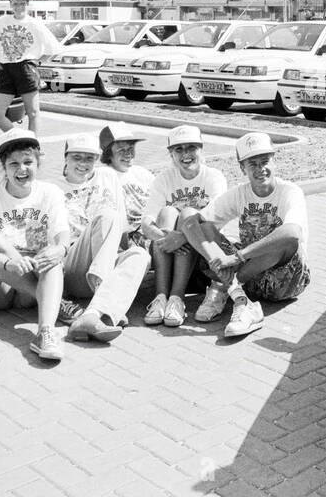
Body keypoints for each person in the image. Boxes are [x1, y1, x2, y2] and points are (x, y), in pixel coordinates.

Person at [0, 128, 71, 362]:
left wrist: (61, 248)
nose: (22, 169)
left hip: (28, 283)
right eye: (13, 164)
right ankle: (53, 300)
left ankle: (45, 333)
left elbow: (62, 233)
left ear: (38, 163)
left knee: (52, 254)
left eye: (28, 161)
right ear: (3, 166)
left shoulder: (50, 192)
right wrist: (8, 263)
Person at [179, 132, 309, 338]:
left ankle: (225, 286)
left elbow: (292, 233)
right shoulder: (240, 193)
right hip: (250, 276)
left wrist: (238, 256)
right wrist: (215, 257)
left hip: (283, 279)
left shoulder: (290, 191)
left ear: (274, 161)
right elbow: (196, 221)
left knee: (284, 239)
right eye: (253, 164)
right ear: (242, 168)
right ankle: (239, 298)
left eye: (265, 161)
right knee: (193, 218)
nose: (261, 169)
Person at [52, 133, 150, 343]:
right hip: (74, 265)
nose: (83, 163)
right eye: (77, 157)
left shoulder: (107, 176)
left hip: (104, 259)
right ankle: (107, 300)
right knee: (107, 214)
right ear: (65, 158)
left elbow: (122, 226)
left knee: (140, 255)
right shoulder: (53, 189)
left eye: (89, 158)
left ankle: (92, 314)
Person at [135, 125, 228, 327]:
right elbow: (146, 222)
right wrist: (165, 237)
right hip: (170, 258)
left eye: (191, 147)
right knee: (167, 212)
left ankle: (177, 299)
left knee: (188, 214)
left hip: (205, 258)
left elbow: (217, 219)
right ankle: (161, 298)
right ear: (171, 153)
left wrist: (183, 236)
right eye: (179, 149)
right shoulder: (163, 179)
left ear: (201, 149)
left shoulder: (214, 177)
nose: (186, 154)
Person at [0, 0, 60, 135]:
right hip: (6, 70)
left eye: (22, 4)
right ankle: (20, 138)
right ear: (10, 5)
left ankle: (33, 145)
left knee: (33, 113)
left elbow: (53, 48)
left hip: (26, 69)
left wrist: (36, 63)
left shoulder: (35, 23)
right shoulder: (1, 22)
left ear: (28, 5)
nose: (19, 7)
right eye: (15, 3)